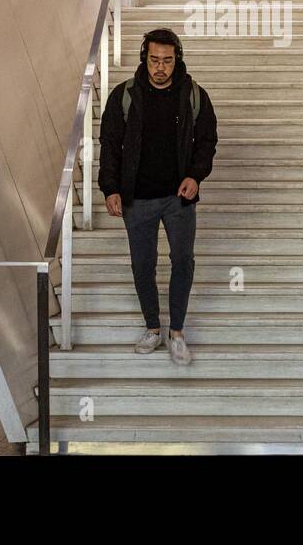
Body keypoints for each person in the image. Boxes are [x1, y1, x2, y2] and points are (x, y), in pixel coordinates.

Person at [98, 28, 218, 366]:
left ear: (176, 59)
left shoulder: (194, 95)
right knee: (142, 265)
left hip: (178, 199)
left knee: (183, 261)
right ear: (144, 59)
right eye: (154, 60)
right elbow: (109, 143)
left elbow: (207, 141)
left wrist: (195, 176)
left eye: (167, 60)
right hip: (137, 199)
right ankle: (153, 327)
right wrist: (111, 187)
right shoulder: (124, 95)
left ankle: (176, 333)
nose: (160, 67)